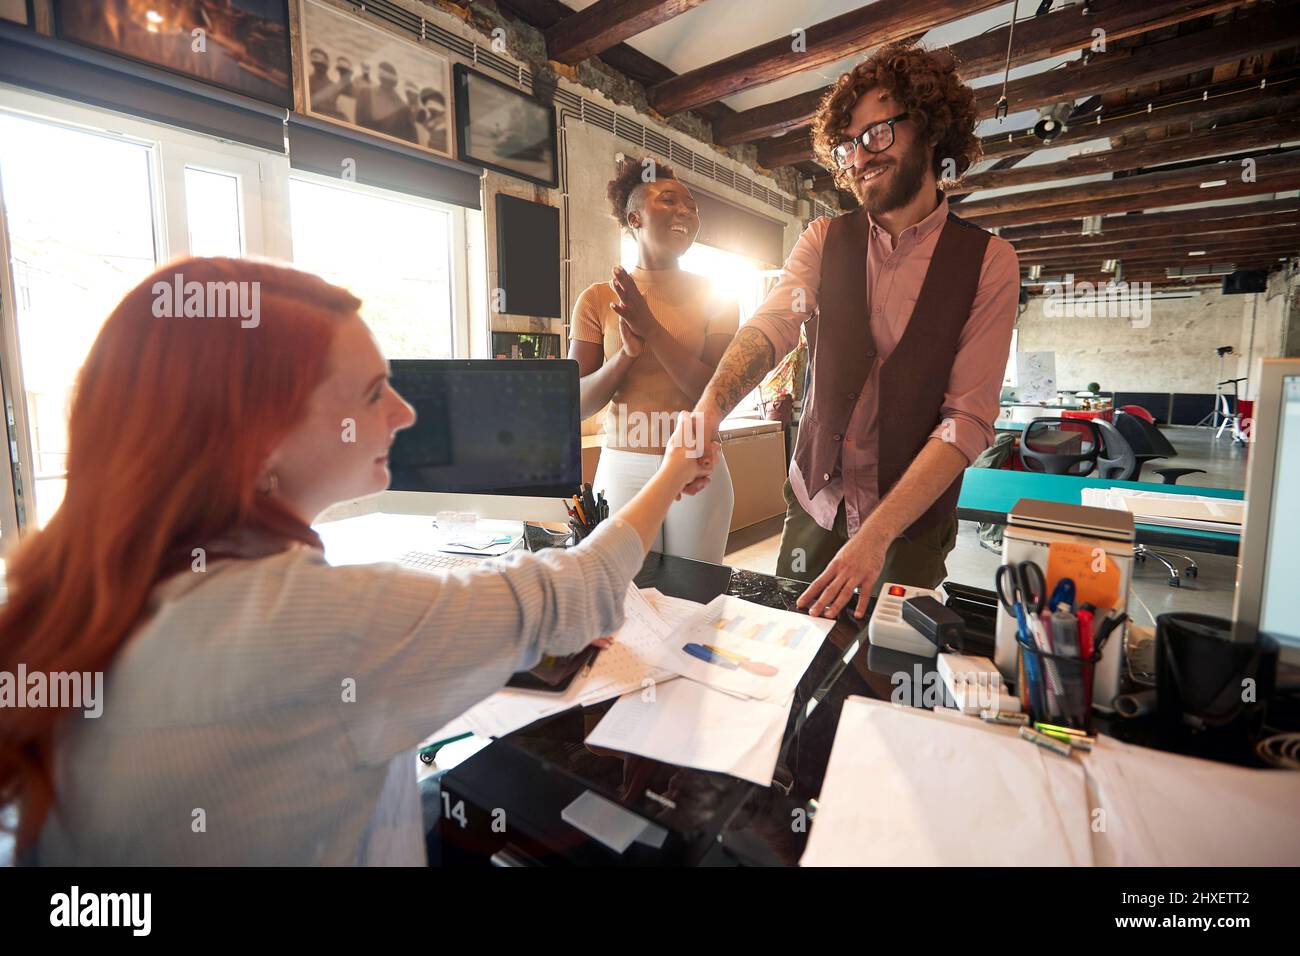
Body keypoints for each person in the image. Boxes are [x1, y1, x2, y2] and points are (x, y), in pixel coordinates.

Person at [0, 258, 717, 865]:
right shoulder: (312, 623)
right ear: (262, 437)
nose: (405, 414)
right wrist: (672, 470)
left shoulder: (83, 591)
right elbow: (580, 591)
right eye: (375, 392)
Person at [689, 42, 1019, 619]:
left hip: (910, 525)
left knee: (887, 675)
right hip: (817, 501)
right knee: (790, 654)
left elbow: (966, 419)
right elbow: (773, 325)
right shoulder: (824, 239)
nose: (859, 157)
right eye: (848, 145)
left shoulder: (989, 262)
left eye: (877, 134)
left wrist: (876, 537)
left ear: (931, 127)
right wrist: (709, 410)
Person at [569, 158, 738, 563]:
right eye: (668, 200)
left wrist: (651, 328)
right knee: (628, 597)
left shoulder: (719, 296)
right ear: (634, 217)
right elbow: (575, 405)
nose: (685, 211)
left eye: (692, 206)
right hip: (622, 465)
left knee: (693, 596)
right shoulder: (596, 299)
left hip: (697, 463)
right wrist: (627, 355)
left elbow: (711, 393)